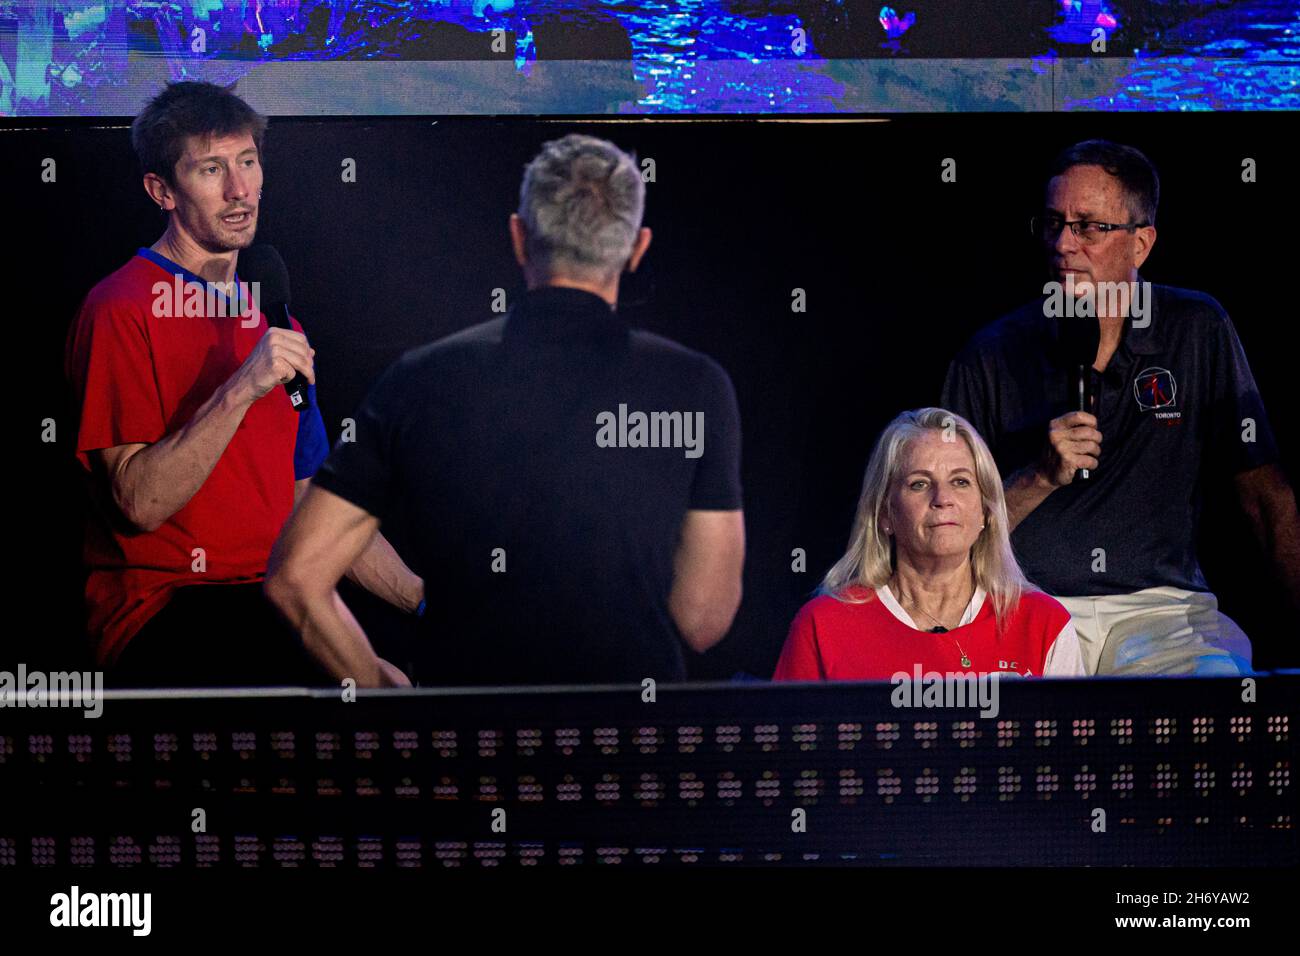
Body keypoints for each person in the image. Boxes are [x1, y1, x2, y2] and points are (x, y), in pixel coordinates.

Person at [266, 133, 746, 688]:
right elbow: (703, 619)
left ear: (519, 239)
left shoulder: (420, 380)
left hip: (469, 748)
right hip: (626, 750)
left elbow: (296, 577)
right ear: (637, 248)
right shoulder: (695, 386)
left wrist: (388, 708)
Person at [64, 81, 422, 687]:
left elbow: (311, 502)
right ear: (162, 191)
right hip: (173, 607)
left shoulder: (276, 320)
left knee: (420, 672)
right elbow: (139, 503)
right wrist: (241, 386)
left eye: (247, 163)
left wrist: (426, 601)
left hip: (276, 600)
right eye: (211, 169)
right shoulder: (119, 309)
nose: (239, 190)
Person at [942, 139, 1299, 675]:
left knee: (1216, 703)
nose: (1063, 244)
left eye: (1088, 226)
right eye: (1053, 223)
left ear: (1141, 244)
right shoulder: (991, 354)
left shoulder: (1196, 329)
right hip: (1028, 607)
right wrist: (1039, 475)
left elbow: (1265, 499)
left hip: (1161, 612)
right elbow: (946, 529)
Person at [773, 408, 1084, 680]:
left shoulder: (1043, 624)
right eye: (919, 484)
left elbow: (1071, 749)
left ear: (985, 511)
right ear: (885, 514)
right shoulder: (823, 626)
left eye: (960, 482)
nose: (942, 499)